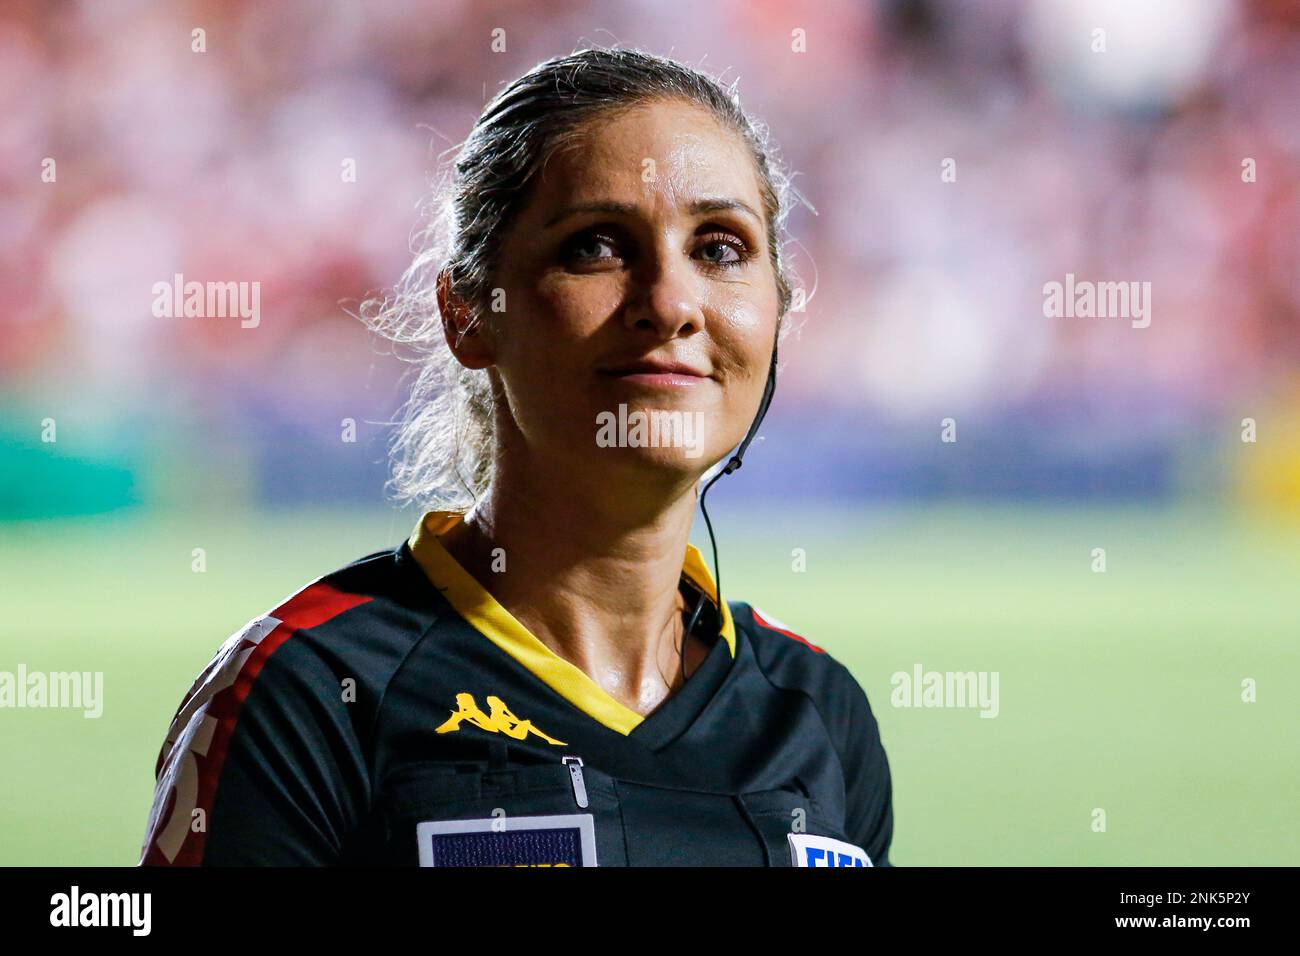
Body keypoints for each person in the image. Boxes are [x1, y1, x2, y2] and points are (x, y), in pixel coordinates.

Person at [139, 47, 893, 867]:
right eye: (597, 246)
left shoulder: (820, 709)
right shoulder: (311, 691)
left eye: (719, 248)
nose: (672, 302)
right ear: (468, 313)